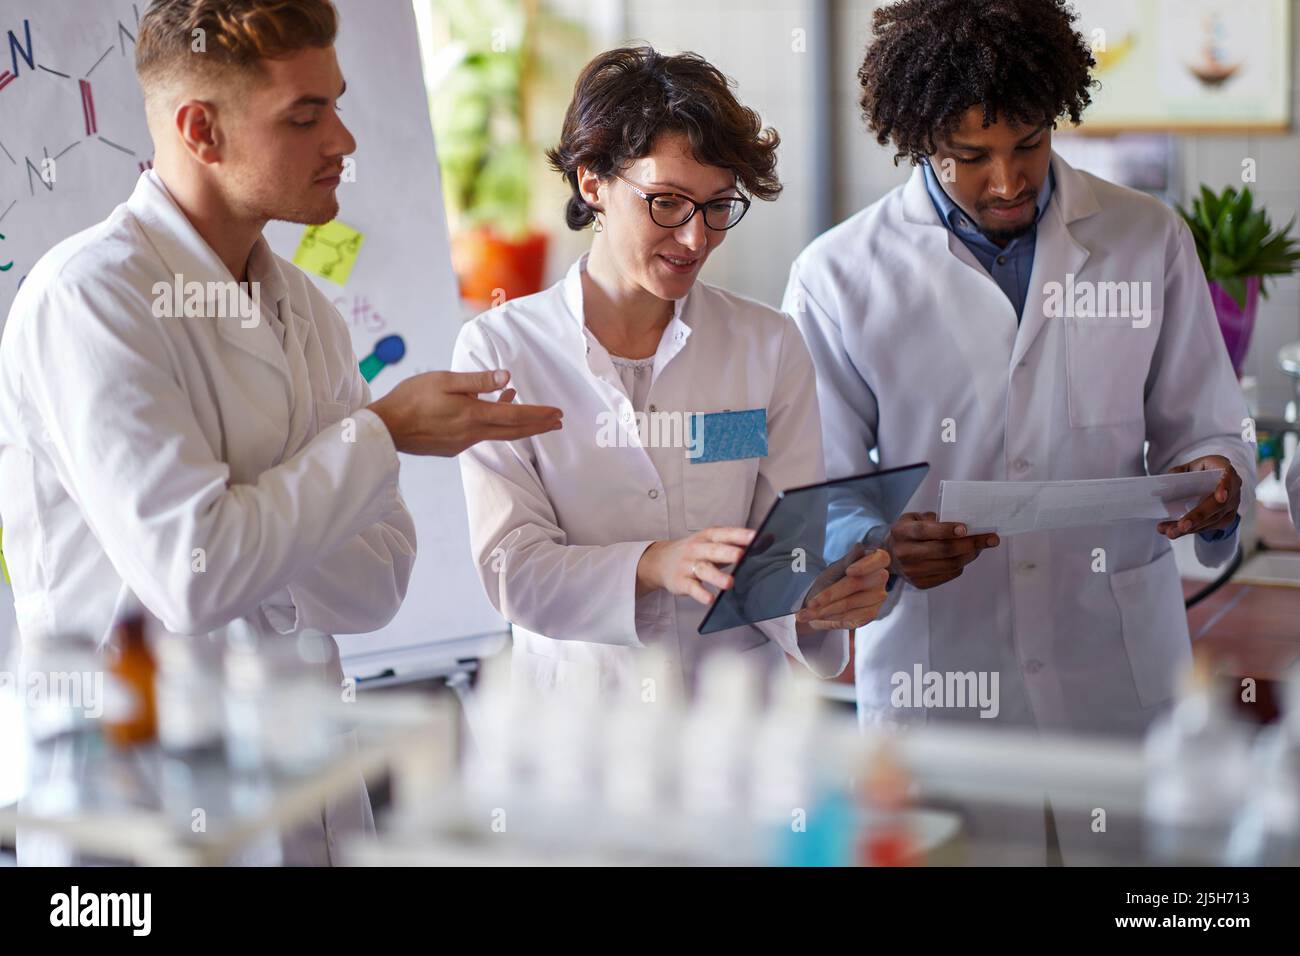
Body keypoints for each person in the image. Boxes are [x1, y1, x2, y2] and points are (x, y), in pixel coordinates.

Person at [0, 0, 560, 864]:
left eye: (335, 104)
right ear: (201, 130)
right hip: (140, 807)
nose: (344, 141)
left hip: (307, 795)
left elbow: (374, 590)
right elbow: (193, 574)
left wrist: (260, 508)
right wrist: (374, 436)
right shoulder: (89, 299)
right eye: (306, 115)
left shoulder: (305, 311)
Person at [784, 0, 1254, 858]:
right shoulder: (838, 277)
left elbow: (1209, 426)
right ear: (920, 139)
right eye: (971, 157)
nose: (1007, 181)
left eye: (1028, 143)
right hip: (941, 687)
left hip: (1116, 669)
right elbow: (824, 496)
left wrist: (1217, 482)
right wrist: (883, 549)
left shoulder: (1145, 238)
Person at [453, 46, 890, 702]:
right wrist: (654, 565)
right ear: (591, 181)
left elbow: (781, 555)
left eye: (718, 206)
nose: (695, 239)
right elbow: (514, 570)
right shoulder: (501, 349)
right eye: (667, 202)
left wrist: (821, 593)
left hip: (735, 720)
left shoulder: (767, 343)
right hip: (579, 723)